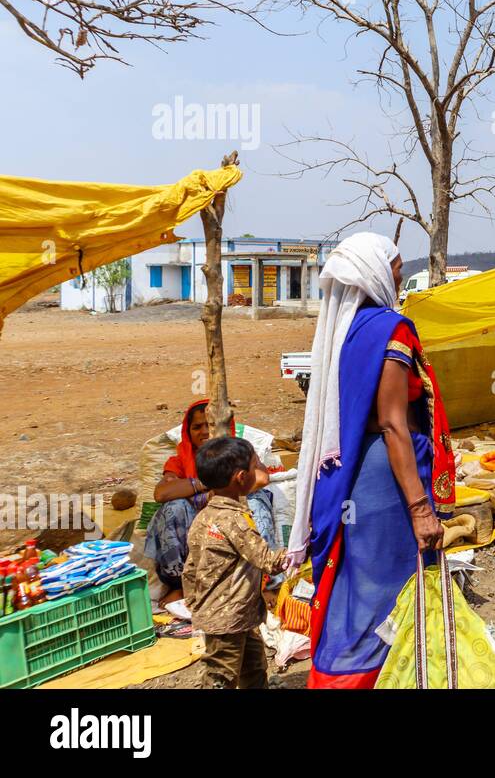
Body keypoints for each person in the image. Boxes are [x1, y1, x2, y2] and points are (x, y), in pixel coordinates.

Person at [286, 232, 457, 690]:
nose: (399, 280)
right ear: (378, 273)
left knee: (353, 583)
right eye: (396, 270)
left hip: (354, 478)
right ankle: (377, 677)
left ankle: (340, 674)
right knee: (386, 588)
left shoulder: (345, 332)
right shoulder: (390, 328)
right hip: (389, 483)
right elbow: (393, 423)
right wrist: (421, 509)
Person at [144, 398, 277, 606]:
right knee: (173, 508)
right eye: (197, 427)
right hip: (200, 532)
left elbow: (261, 478)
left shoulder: (240, 452)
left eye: (210, 425)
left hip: (235, 521)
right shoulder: (181, 460)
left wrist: (222, 492)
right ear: (188, 432)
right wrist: (207, 484)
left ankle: (262, 585)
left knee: (257, 502)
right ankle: (180, 585)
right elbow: (162, 493)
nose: (205, 431)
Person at [182, 435, 287, 689]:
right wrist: (299, 549)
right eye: (254, 467)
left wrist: (197, 604)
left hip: (232, 615)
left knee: (253, 667)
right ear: (241, 477)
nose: (258, 471)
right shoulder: (235, 521)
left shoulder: (204, 517)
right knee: (221, 676)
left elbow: (190, 569)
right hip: (229, 617)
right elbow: (267, 561)